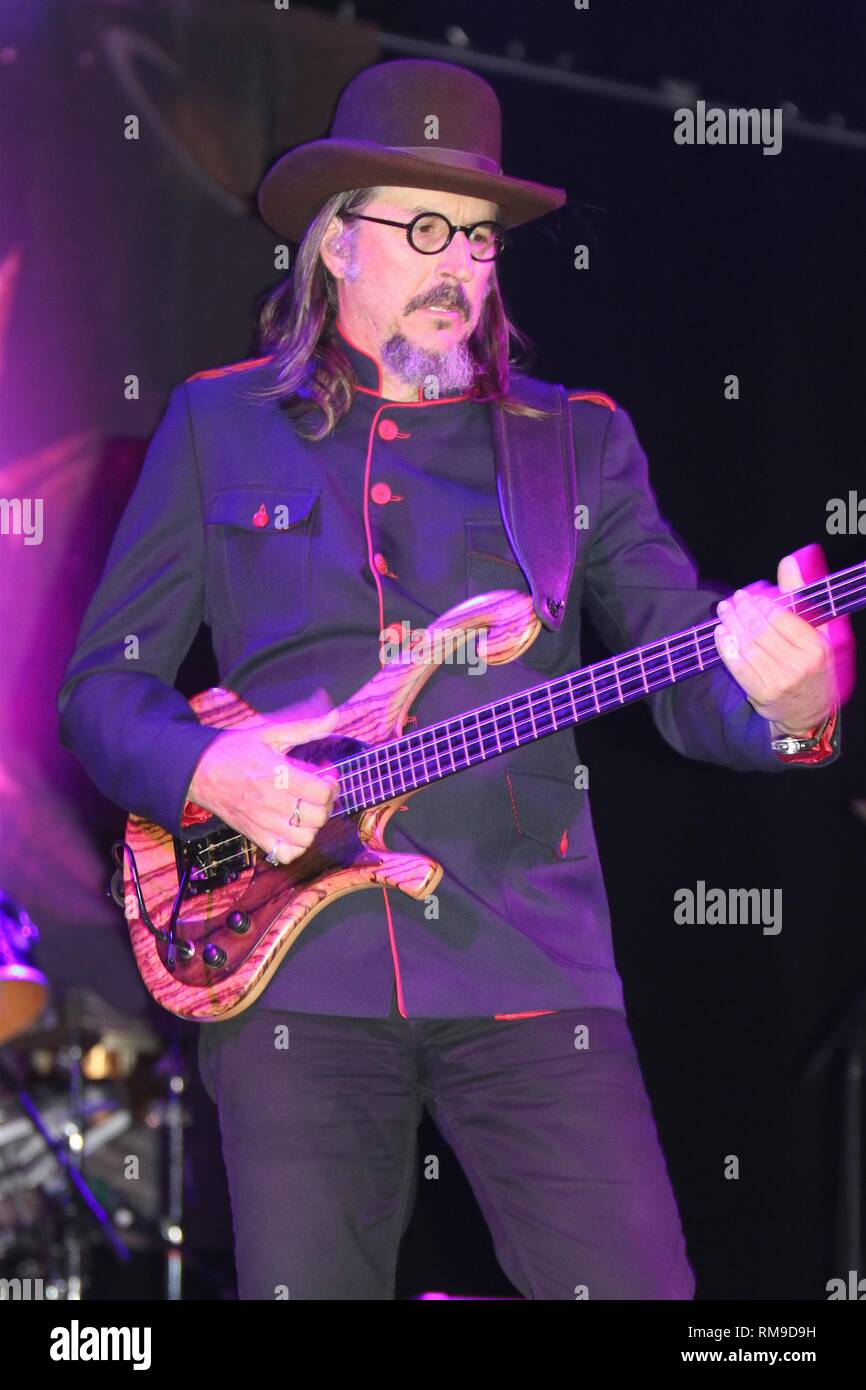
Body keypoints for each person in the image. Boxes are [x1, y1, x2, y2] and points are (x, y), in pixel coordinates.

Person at [57, 59, 842, 1300]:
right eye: (422, 228)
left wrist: (789, 703)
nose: (458, 264)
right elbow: (102, 690)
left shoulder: (574, 439)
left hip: (530, 967)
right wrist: (213, 767)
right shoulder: (221, 426)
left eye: (478, 238)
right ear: (334, 248)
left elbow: (683, 659)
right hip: (293, 969)